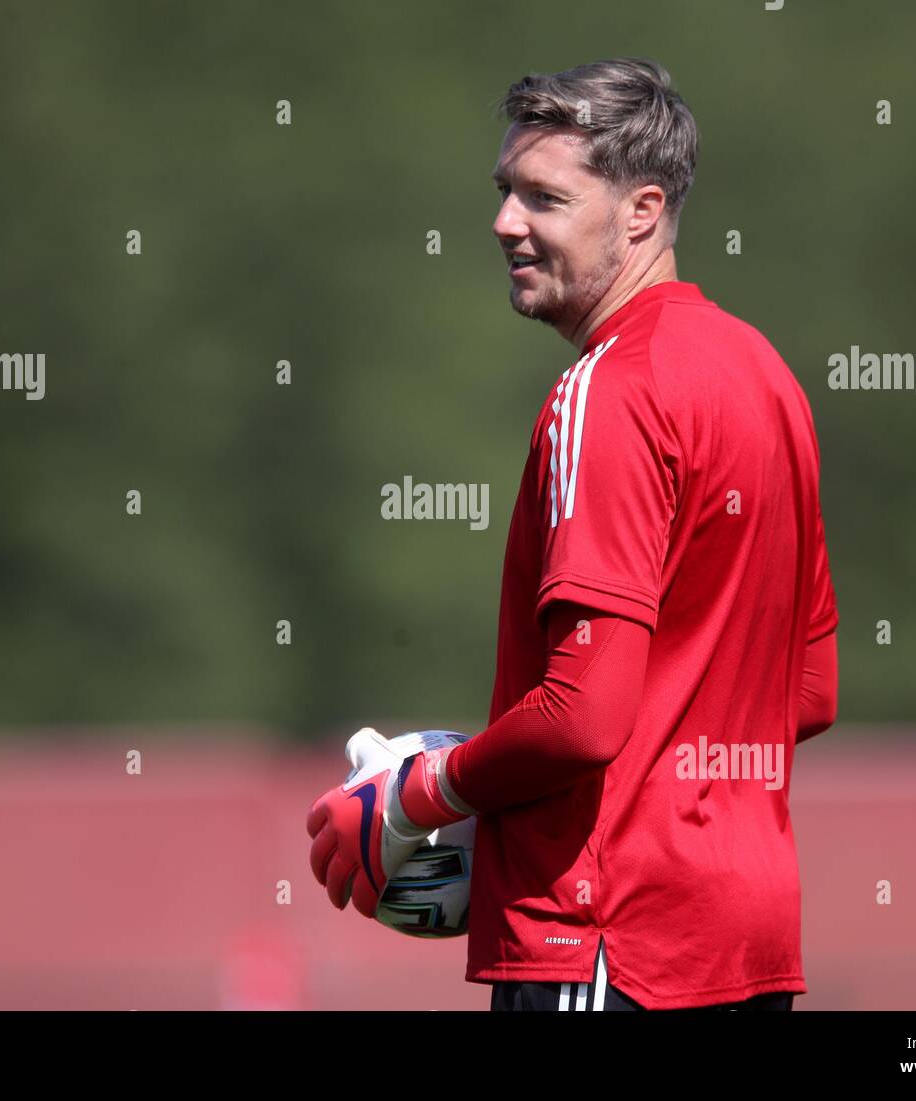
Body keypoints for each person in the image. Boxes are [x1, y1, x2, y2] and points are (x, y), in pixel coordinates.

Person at [308, 57, 838, 1012]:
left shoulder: (610, 390)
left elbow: (586, 716)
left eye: (544, 197)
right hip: (748, 938)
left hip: (603, 936)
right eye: (505, 191)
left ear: (640, 211)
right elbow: (806, 689)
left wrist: (421, 794)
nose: (506, 222)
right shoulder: (769, 380)